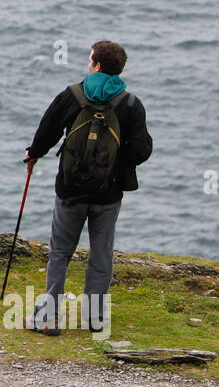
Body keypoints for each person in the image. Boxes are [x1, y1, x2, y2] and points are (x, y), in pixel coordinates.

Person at [23, 40, 152, 335]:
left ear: (96, 64)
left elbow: (48, 130)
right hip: (108, 192)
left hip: (70, 189)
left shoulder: (73, 95)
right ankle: (94, 318)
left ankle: (48, 318)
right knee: (101, 253)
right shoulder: (131, 104)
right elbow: (142, 151)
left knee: (60, 251)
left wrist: (34, 154)